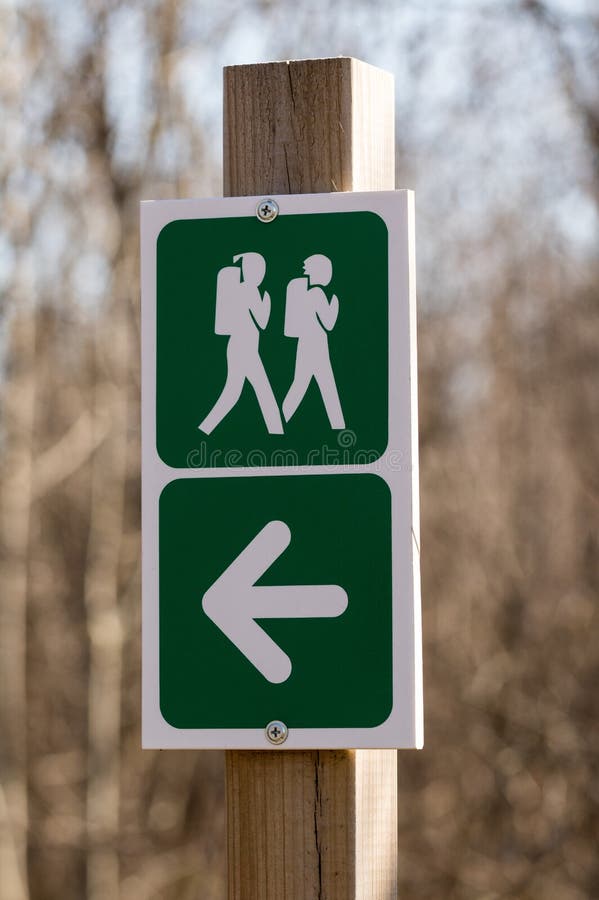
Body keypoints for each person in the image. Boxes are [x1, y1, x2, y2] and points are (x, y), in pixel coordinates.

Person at [199, 252, 283, 435]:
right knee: (262, 391)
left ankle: (205, 428)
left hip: (240, 346)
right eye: (260, 270)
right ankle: (278, 432)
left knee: (232, 394)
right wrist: (267, 302)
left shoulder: (240, 289)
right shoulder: (250, 290)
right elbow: (262, 322)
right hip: (245, 349)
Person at [282, 254, 345, 429]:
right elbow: (329, 323)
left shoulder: (306, 293)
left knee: (303, 385)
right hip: (316, 344)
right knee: (321, 385)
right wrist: (335, 304)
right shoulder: (317, 293)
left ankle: (281, 419)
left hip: (305, 344)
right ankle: (338, 425)